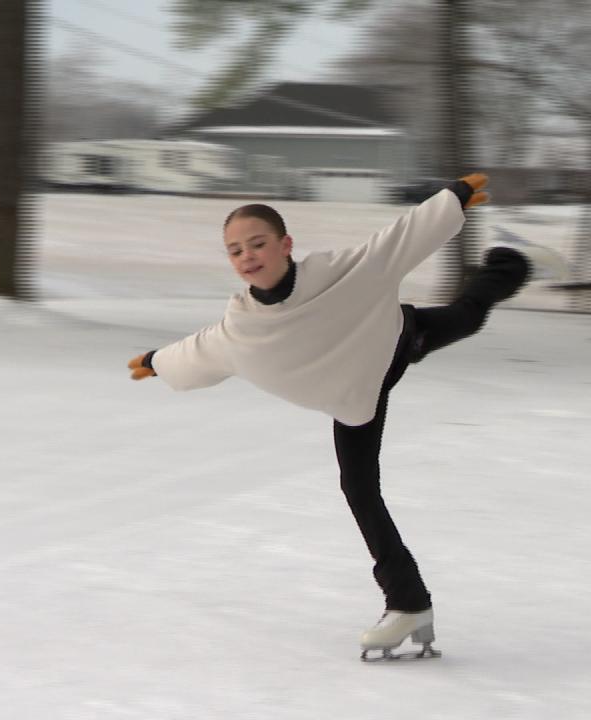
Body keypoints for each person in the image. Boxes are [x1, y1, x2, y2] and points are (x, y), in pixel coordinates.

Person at [127, 173, 530, 659]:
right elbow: (198, 350)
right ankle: (408, 603)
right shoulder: (242, 328)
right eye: (236, 251)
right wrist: (157, 360)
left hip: (393, 339)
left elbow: (394, 242)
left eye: (257, 243)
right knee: (358, 489)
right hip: (356, 396)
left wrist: (452, 200)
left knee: (466, 315)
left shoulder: (342, 272)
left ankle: (506, 267)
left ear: (285, 244)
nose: (248, 256)